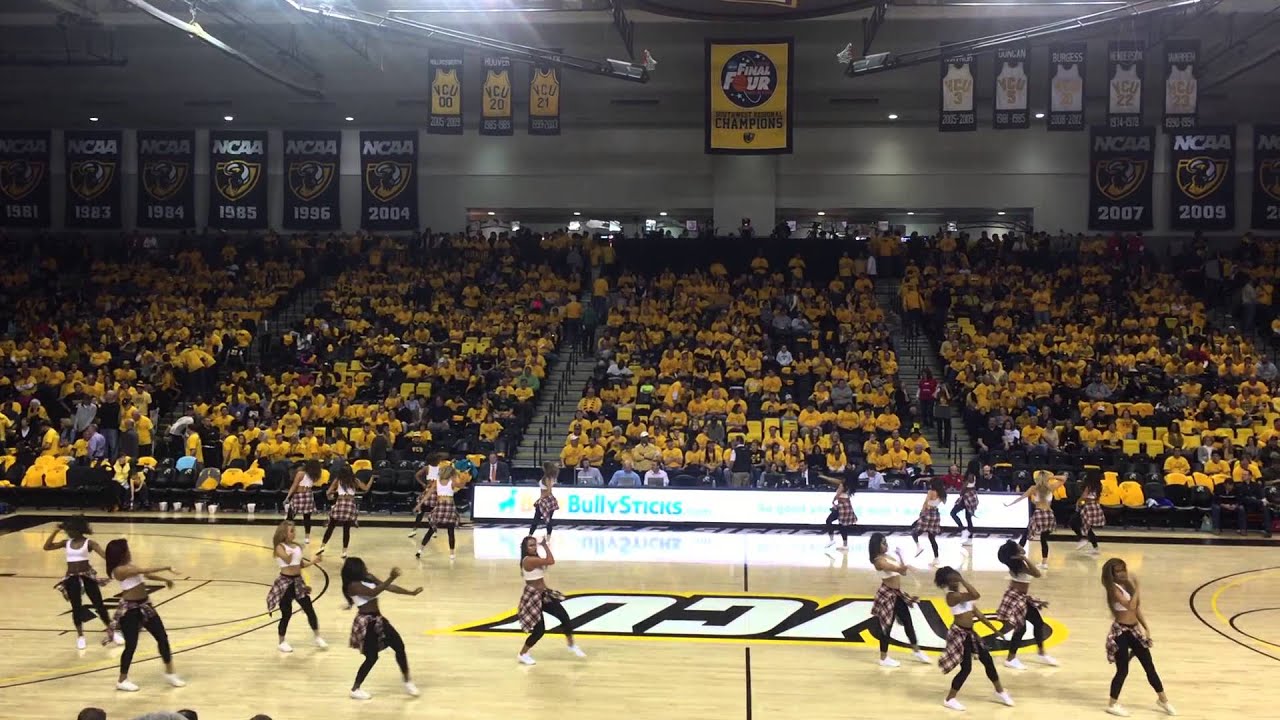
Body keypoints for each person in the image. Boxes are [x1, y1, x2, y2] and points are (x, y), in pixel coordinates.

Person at [104, 539, 185, 691]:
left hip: (145, 606)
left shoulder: (129, 565)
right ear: (121, 553)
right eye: (127, 549)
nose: (129, 551)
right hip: (130, 611)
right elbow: (142, 571)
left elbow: (145, 575)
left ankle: (170, 673)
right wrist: (166, 567)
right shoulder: (119, 570)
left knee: (162, 637)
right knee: (131, 645)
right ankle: (122, 680)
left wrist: (165, 580)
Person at [1102, 558, 1175, 716]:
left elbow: (1136, 610)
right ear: (1112, 574)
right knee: (1123, 670)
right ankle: (1112, 704)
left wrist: (1146, 627)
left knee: (1149, 667)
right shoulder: (1112, 589)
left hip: (1134, 631)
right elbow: (1130, 606)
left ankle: (1163, 700)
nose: (1122, 573)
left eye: (1123, 569)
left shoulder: (1126, 586)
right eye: (1118, 571)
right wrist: (1138, 587)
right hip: (1120, 632)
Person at [934, 567, 1014, 711]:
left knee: (988, 661)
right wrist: (963, 580)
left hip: (970, 633)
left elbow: (980, 615)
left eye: (956, 577)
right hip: (960, 635)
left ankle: (1000, 691)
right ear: (946, 582)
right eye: (952, 579)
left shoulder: (964, 596)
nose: (955, 581)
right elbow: (976, 594)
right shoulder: (952, 597)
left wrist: (995, 630)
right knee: (966, 669)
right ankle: (949, 699)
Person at [342, 558, 422, 700]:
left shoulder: (368, 577)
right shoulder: (352, 586)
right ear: (355, 570)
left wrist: (410, 593)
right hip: (366, 623)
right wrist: (391, 577)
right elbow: (373, 593)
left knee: (399, 646)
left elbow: (387, 587)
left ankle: (408, 681)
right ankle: (355, 689)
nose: (365, 567)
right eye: (362, 566)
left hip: (378, 619)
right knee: (372, 657)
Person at [43, 517, 121, 649]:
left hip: (87, 577)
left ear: (79, 530)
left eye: (70, 530)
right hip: (72, 578)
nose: (68, 533)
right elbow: (47, 547)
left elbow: (104, 555)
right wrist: (55, 531)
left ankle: (111, 632)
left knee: (99, 605)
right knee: (76, 608)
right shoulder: (66, 543)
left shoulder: (89, 543)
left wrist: (115, 563)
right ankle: (80, 636)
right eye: (67, 530)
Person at [516, 535, 586, 665]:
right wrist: (545, 545)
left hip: (543, 595)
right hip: (533, 598)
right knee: (539, 630)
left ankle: (571, 645)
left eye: (534, 544)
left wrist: (548, 591)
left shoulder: (534, 559)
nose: (533, 547)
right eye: (530, 545)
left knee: (564, 617)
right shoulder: (529, 560)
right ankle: (522, 654)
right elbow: (551, 561)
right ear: (525, 548)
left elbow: (540, 578)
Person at [869, 533, 931, 667]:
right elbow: (900, 569)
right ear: (876, 545)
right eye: (883, 543)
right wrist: (903, 557)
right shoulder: (879, 561)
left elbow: (902, 572)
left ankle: (917, 651)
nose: (886, 545)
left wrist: (900, 557)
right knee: (887, 626)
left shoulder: (888, 557)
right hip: (888, 595)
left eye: (886, 542)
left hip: (897, 594)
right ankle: (883, 658)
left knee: (908, 622)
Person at [994, 540, 1057, 670]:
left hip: (1020, 597)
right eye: (1017, 547)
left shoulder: (1017, 563)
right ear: (1014, 553)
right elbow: (1038, 574)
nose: (1020, 546)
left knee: (1037, 623)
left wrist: (1022, 557)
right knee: (1020, 628)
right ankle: (1010, 659)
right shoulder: (1019, 565)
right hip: (1016, 598)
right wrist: (1024, 557)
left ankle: (1041, 653)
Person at [267, 520, 326, 653]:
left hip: (298, 582)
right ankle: (281, 642)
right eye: (291, 531)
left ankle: (317, 637)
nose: (294, 533)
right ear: (284, 533)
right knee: (286, 613)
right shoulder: (279, 547)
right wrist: (294, 549)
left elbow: (300, 565)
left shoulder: (297, 547)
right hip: (285, 583)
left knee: (309, 609)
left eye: (294, 531)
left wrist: (313, 561)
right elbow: (287, 560)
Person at [1008, 471, 1065, 569]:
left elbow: (1022, 497)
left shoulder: (1033, 488)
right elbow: (1064, 478)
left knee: (1026, 533)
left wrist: (1010, 504)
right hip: (1049, 514)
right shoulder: (1051, 487)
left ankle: (1018, 553)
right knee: (1043, 539)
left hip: (1039, 513)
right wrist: (1052, 477)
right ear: (1047, 478)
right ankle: (1044, 562)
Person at [316, 465, 372, 559]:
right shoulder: (355, 480)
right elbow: (366, 489)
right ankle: (344, 552)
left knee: (331, 527)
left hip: (340, 503)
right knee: (346, 529)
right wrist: (371, 479)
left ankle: (322, 546)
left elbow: (328, 492)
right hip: (350, 504)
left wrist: (332, 496)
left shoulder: (338, 480)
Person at [417, 464, 468, 560]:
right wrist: (464, 477)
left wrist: (420, 504)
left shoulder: (436, 482)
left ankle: (420, 550)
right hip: (449, 507)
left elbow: (427, 495)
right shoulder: (452, 482)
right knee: (450, 531)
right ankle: (452, 554)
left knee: (431, 530)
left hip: (440, 506)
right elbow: (461, 485)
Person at [284, 460, 322, 544]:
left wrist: (288, 497)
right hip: (308, 495)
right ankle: (307, 538)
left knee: (290, 517)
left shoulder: (300, 473)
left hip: (298, 495)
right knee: (307, 517)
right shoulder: (315, 476)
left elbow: (294, 485)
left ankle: (287, 534)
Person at [911, 477, 946, 562]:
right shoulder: (942, 493)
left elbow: (926, 503)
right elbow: (943, 502)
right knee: (932, 537)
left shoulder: (931, 492)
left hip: (928, 513)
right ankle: (936, 558)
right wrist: (921, 479)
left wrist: (921, 513)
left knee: (914, 531)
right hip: (935, 515)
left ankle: (919, 546)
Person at [1070, 474, 1105, 554]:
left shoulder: (1088, 487)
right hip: (1095, 507)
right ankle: (1095, 547)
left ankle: (1083, 538)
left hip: (1087, 507)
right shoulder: (1099, 487)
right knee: (1087, 527)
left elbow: (1083, 497)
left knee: (1072, 522)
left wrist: (1078, 504)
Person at [821, 474, 857, 550]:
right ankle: (845, 545)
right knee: (842, 526)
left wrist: (833, 501)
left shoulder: (842, 485)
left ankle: (832, 539)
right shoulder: (850, 485)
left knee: (829, 520)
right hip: (846, 505)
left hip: (841, 506)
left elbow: (837, 495)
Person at [407, 461, 439, 538]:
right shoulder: (427, 468)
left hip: (436, 490)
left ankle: (433, 531)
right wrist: (423, 484)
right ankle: (415, 530)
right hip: (429, 490)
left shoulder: (441, 468)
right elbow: (417, 475)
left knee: (432, 513)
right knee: (422, 511)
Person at [530, 461, 560, 537]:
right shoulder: (549, 477)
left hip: (545, 500)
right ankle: (547, 536)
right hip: (547, 499)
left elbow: (549, 491)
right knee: (547, 519)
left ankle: (530, 535)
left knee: (538, 519)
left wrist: (541, 498)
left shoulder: (547, 478)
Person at [950, 466, 978, 544]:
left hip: (966, 498)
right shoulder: (974, 477)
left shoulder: (970, 477)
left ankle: (963, 529)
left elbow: (964, 488)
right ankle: (969, 534)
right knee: (968, 517)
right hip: (971, 497)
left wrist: (961, 492)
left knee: (953, 513)